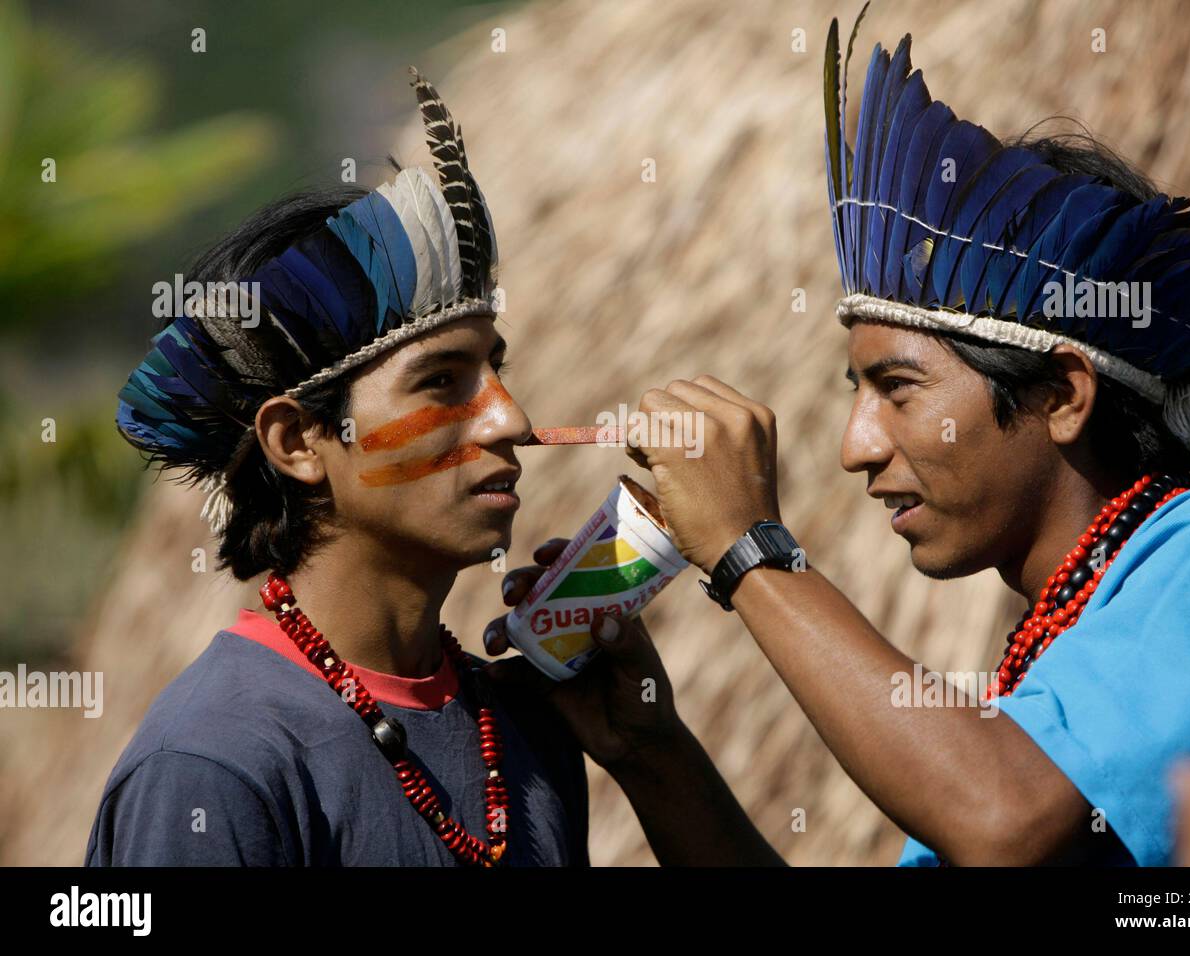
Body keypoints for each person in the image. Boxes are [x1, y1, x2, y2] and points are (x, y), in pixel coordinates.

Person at [490, 12, 1190, 866]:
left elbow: (1005, 821)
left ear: (1064, 396)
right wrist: (651, 755)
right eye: (857, 392)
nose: (857, 446)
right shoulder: (1046, 679)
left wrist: (749, 551)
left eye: (897, 388)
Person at [87, 69, 778, 867]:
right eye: (442, 381)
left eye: (496, 369)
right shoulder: (214, 768)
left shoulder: (524, 729)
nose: (510, 419)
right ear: (298, 442)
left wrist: (650, 753)